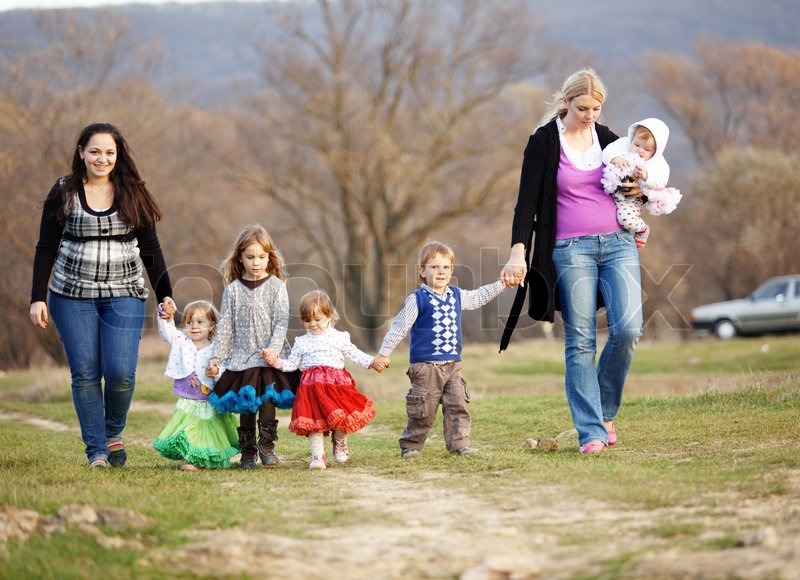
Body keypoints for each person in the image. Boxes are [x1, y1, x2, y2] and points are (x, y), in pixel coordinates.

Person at [499, 68, 644, 454]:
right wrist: (518, 250)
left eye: (596, 108)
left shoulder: (610, 140)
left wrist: (637, 190)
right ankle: (592, 431)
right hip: (570, 250)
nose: (590, 115)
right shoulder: (544, 142)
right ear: (566, 102)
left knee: (628, 329)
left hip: (618, 244)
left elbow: (636, 185)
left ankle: (605, 410)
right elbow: (526, 201)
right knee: (580, 341)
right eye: (583, 107)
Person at [30, 122, 174, 469]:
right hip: (71, 295)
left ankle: (112, 433)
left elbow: (150, 249)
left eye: (109, 152)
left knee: (121, 371)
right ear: (81, 152)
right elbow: (46, 246)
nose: (102, 158)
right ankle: (96, 451)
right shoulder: (63, 191)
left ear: (118, 155)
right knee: (85, 373)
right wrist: (38, 297)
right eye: (95, 151)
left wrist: (165, 294)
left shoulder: (133, 192)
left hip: (124, 292)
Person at [373, 240, 511, 459]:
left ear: (451, 270)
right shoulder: (418, 299)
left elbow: (478, 297)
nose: (441, 271)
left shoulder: (456, 296)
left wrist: (502, 284)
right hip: (425, 368)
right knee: (423, 410)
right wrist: (384, 353)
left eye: (446, 267)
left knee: (458, 403)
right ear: (422, 271)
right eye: (434, 267)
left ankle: (459, 444)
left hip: (453, 365)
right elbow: (400, 327)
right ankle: (411, 445)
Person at [205, 224, 300, 469]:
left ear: (269, 256)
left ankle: (267, 447)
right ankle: (247, 453)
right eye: (250, 257)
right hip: (241, 359)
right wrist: (216, 357)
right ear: (240, 258)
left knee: (267, 402)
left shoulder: (277, 286)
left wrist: (274, 350)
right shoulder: (233, 290)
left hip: (268, 357)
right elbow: (225, 326)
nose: (256, 262)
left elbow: (281, 321)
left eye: (261, 257)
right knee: (246, 406)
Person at [262, 290, 378, 470]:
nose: (313, 324)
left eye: (317, 319)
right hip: (311, 389)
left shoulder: (339, 337)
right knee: (314, 422)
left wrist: (372, 362)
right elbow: (291, 364)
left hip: (337, 386)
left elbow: (354, 354)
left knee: (343, 416)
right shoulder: (301, 342)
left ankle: (339, 441)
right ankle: (317, 456)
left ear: (329, 316)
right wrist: (275, 361)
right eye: (307, 320)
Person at [153, 300, 239, 470]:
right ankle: (193, 459)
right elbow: (167, 332)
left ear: (212, 325)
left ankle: (207, 456)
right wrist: (165, 315)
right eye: (189, 322)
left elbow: (225, 371)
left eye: (200, 322)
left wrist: (216, 372)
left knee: (207, 430)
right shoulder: (181, 341)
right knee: (190, 427)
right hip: (189, 400)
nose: (194, 327)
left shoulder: (217, 348)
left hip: (209, 400)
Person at [600, 117, 682, 248]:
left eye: (647, 149)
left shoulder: (658, 162)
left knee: (625, 219)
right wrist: (615, 158)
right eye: (637, 145)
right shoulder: (623, 143)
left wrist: (646, 176)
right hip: (612, 190)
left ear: (656, 151)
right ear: (632, 138)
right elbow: (607, 151)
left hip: (631, 199)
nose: (640, 150)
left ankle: (642, 229)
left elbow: (661, 180)